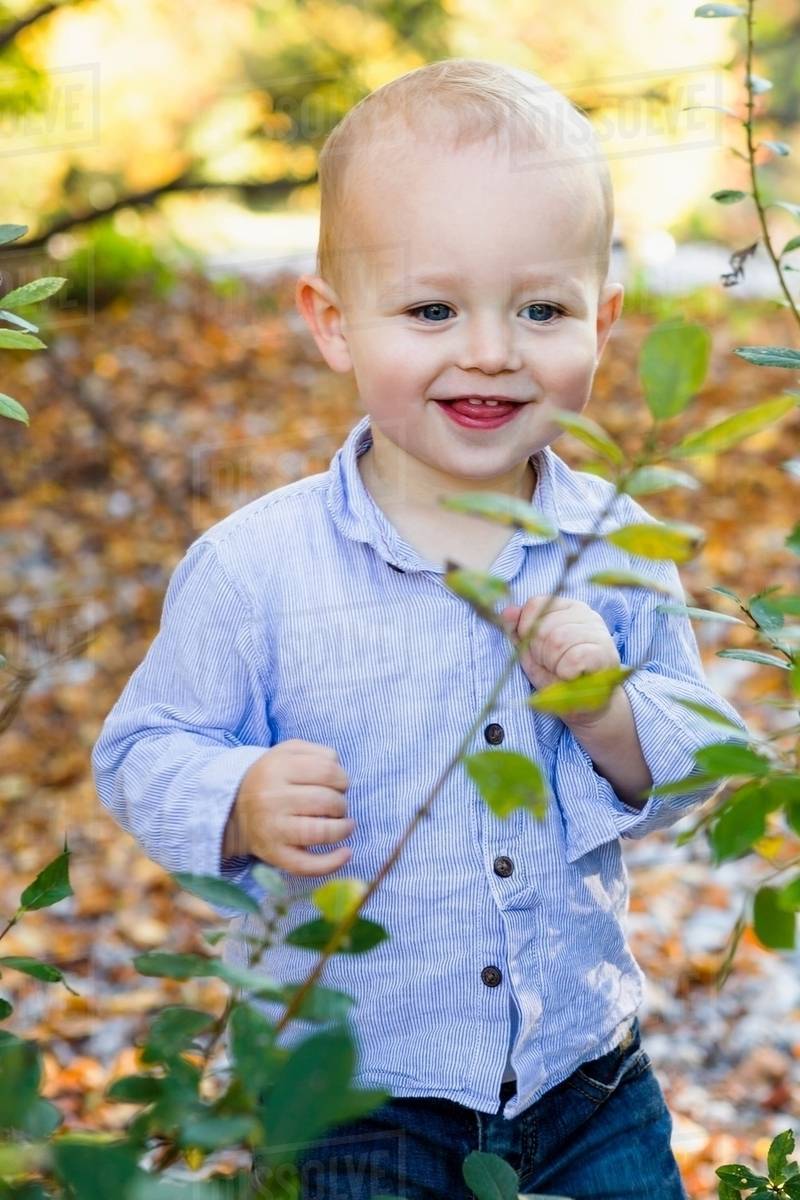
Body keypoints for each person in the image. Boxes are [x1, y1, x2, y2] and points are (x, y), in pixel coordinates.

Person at [91, 58, 748, 1199]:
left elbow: (701, 761)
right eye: (432, 308)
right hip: (352, 1100)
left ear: (601, 319)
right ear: (333, 324)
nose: (488, 349)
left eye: (538, 310)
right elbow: (142, 752)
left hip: (586, 1081)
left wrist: (604, 713)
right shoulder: (256, 571)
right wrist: (239, 796)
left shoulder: (618, 546)